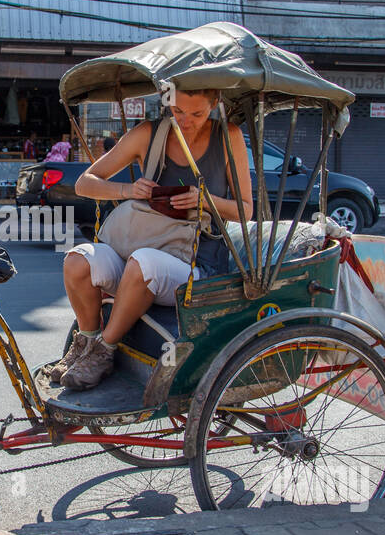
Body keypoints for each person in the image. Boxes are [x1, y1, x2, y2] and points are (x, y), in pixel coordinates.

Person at [53, 87, 254, 391]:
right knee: (77, 260)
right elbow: (85, 183)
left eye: (197, 114)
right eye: (178, 112)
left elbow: (246, 211)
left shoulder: (229, 136)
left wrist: (205, 200)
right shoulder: (149, 133)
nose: (185, 121)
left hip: (194, 265)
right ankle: (87, 341)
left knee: (142, 263)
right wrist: (128, 190)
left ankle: (103, 353)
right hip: (138, 249)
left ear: (214, 103)